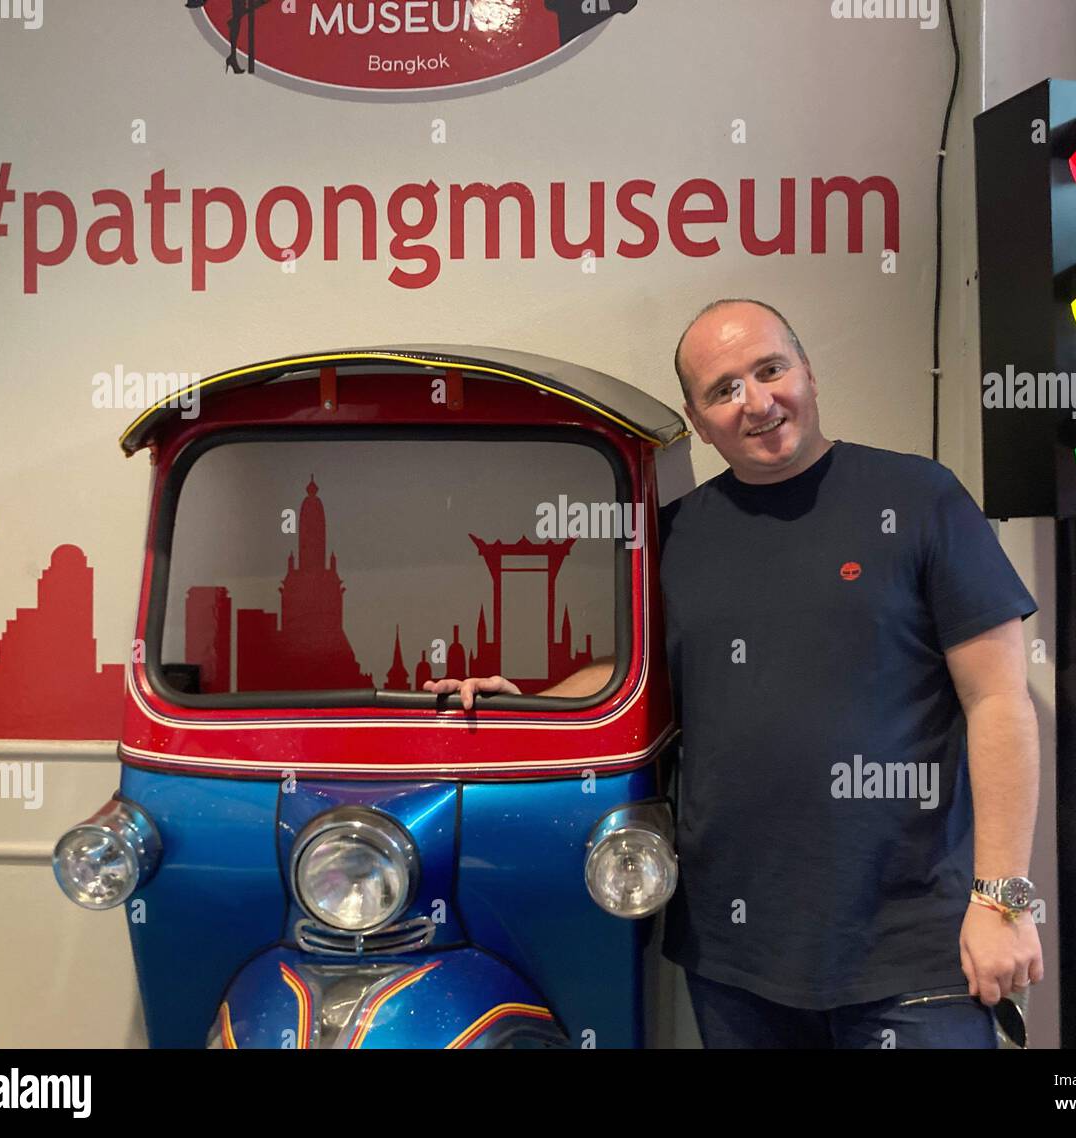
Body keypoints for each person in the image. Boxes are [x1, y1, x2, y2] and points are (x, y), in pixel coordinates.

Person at [425, 298, 1043, 1048]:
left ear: (807, 372)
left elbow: (1000, 702)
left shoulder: (919, 499)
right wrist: (530, 705)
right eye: (724, 390)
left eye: (770, 369)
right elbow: (646, 681)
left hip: (914, 951)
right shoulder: (675, 536)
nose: (756, 401)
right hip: (737, 958)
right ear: (698, 415)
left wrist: (1002, 902)